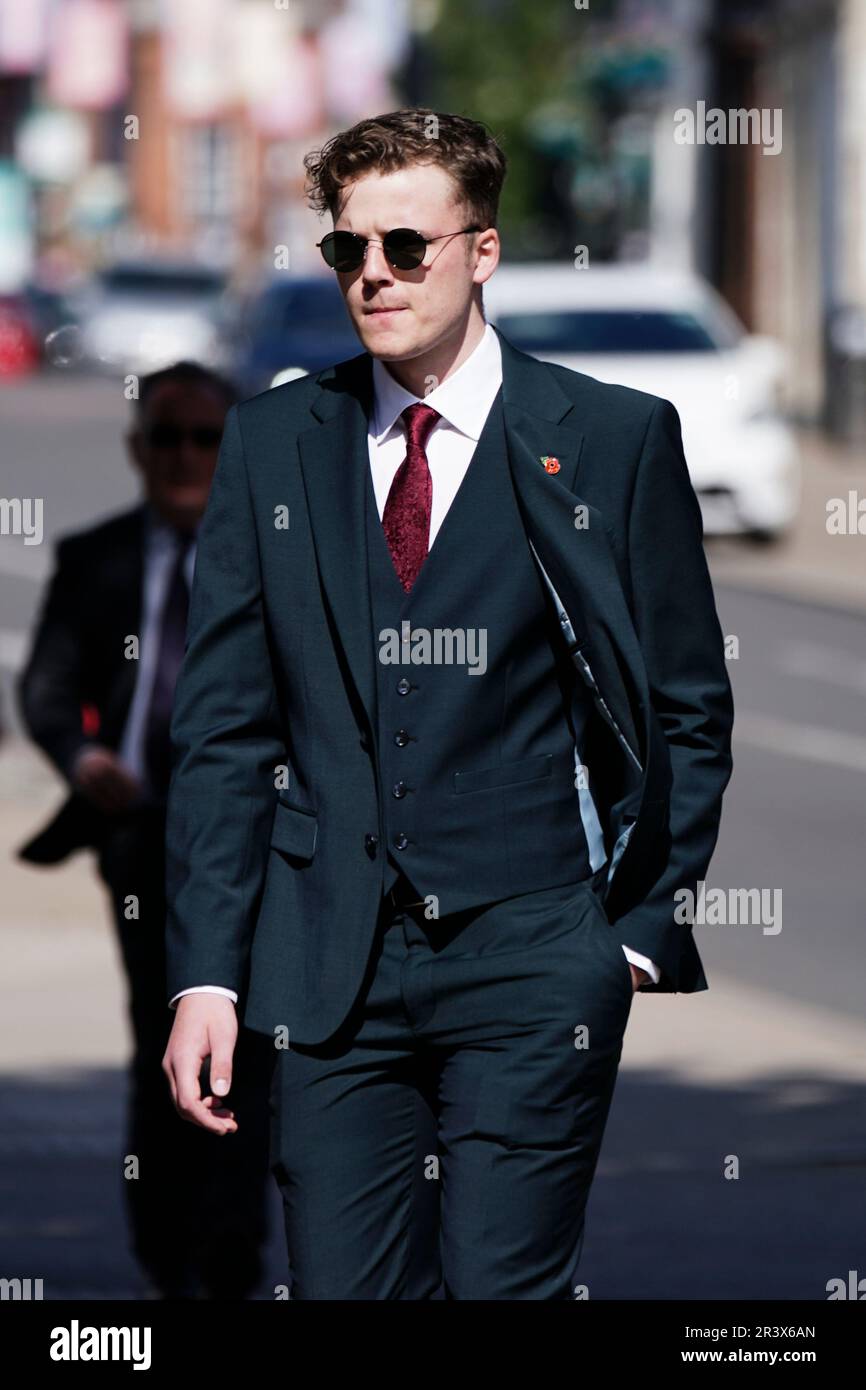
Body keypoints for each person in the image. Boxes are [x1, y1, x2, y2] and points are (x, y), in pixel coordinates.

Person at [162, 109, 734, 1300]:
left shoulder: (613, 438)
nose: (373, 274)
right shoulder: (273, 442)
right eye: (348, 251)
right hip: (327, 974)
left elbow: (685, 705)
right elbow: (223, 735)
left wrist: (627, 937)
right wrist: (204, 976)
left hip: (534, 957)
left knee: (498, 1289)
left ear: (480, 252)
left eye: (405, 246)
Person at [17, 362, 273, 1299]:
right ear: (137, 451)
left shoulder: (278, 556)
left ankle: (234, 1249)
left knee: (253, 1049)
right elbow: (45, 690)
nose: (184, 457)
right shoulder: (98, 558)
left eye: (205, 438)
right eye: (166, 438)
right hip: (141, 839)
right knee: (162, 1037)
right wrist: (83, 759)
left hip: (257, 845)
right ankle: (167, 1254)